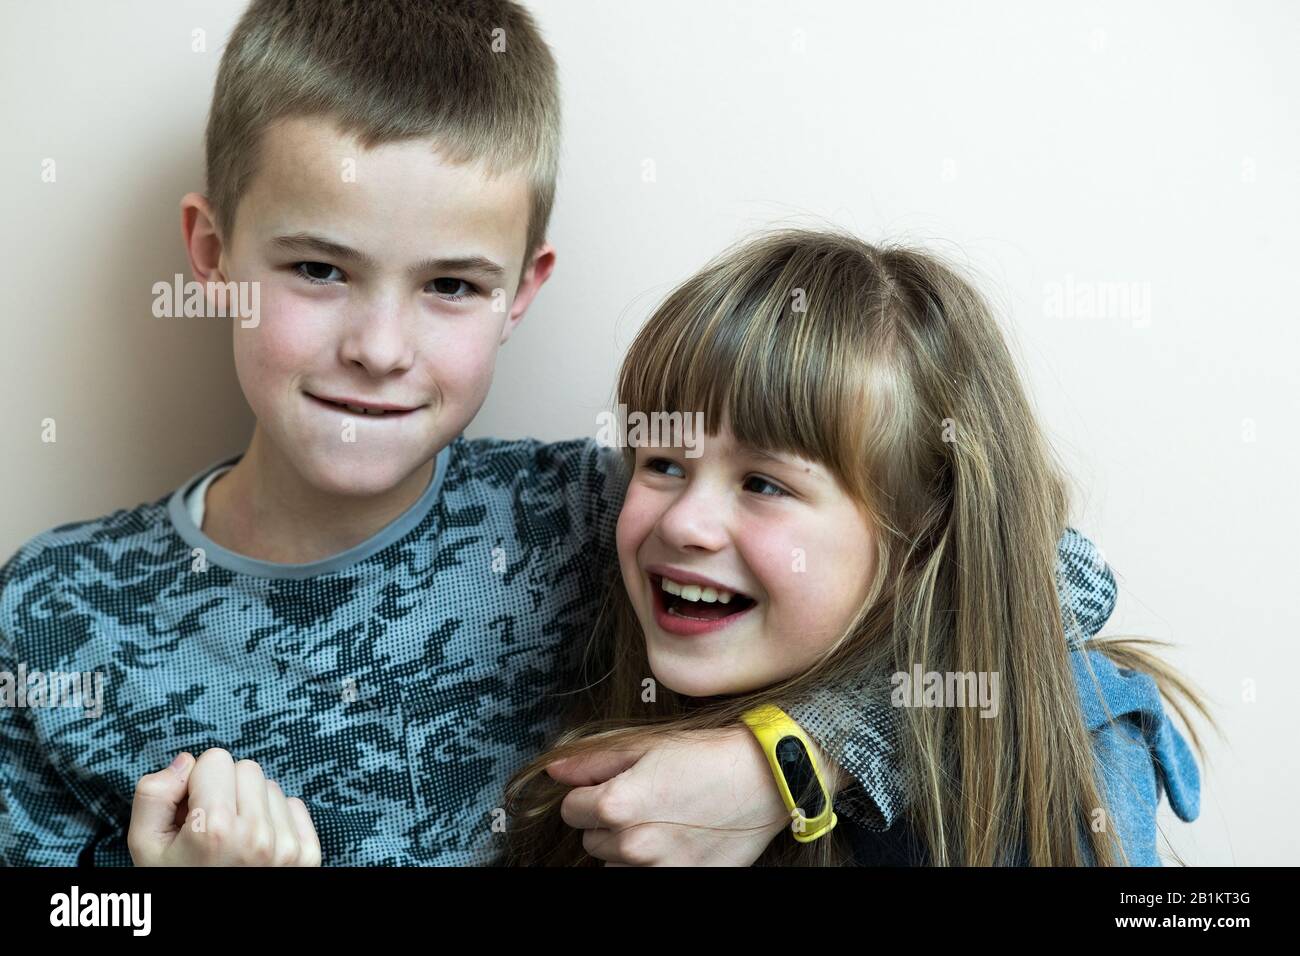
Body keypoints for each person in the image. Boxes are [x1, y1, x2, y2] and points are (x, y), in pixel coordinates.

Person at [502, 228, 1210, 866]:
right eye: (662, 464)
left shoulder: (1053, 767)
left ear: (922, 539)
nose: (684, 523)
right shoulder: (609, 710)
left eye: (763, 483)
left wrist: (783, 766)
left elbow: (1038, 572)